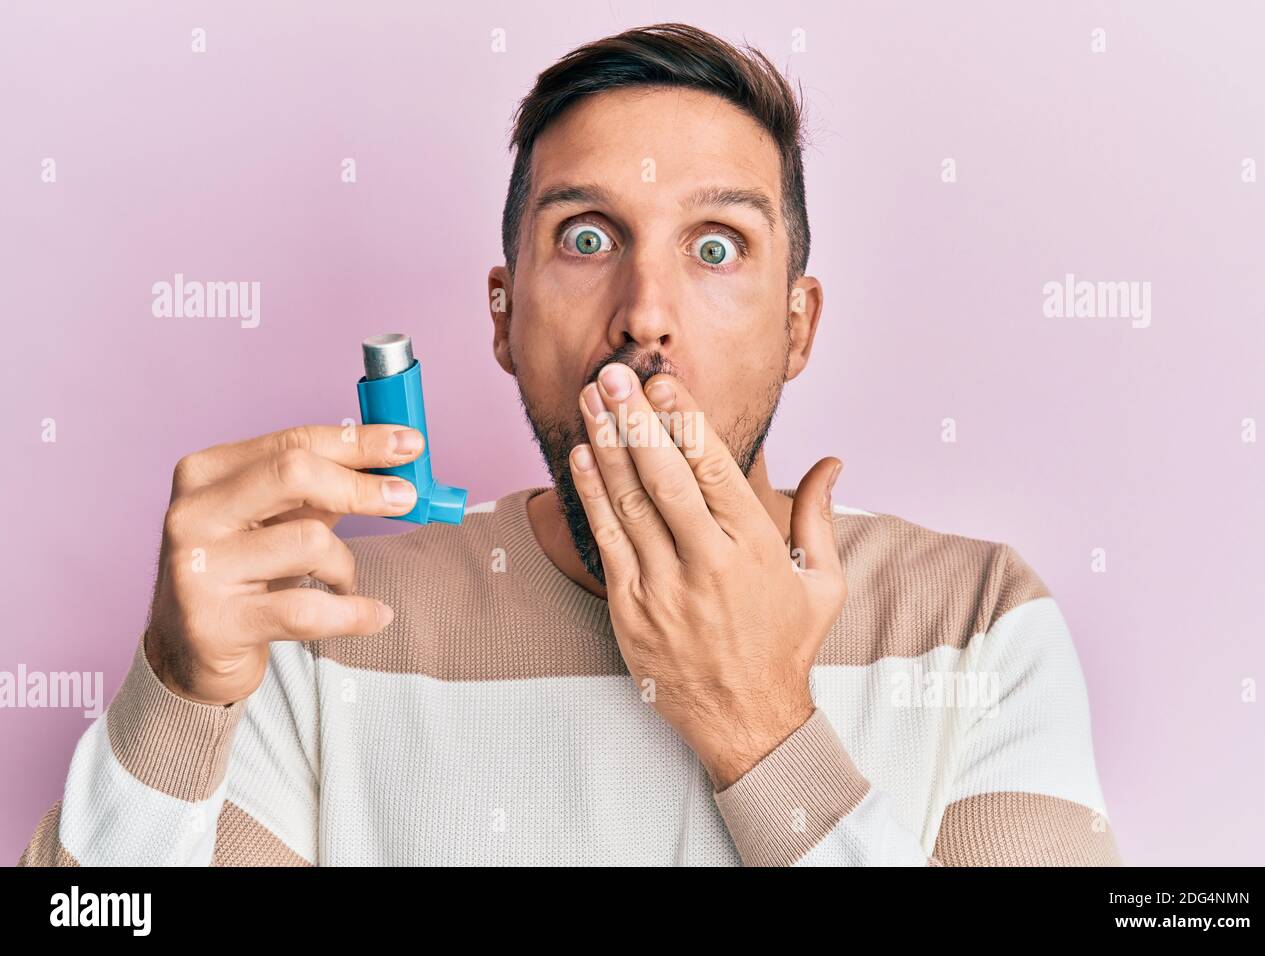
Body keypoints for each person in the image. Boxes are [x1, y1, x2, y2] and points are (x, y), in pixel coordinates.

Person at [19, 22, 1120, 866]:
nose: (646, 315)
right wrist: (174, 697)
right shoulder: (319, 639)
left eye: (717, 246)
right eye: (587, 238)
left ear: (799, 325)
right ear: (502, 318)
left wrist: (762, 728)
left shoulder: (975, 626)